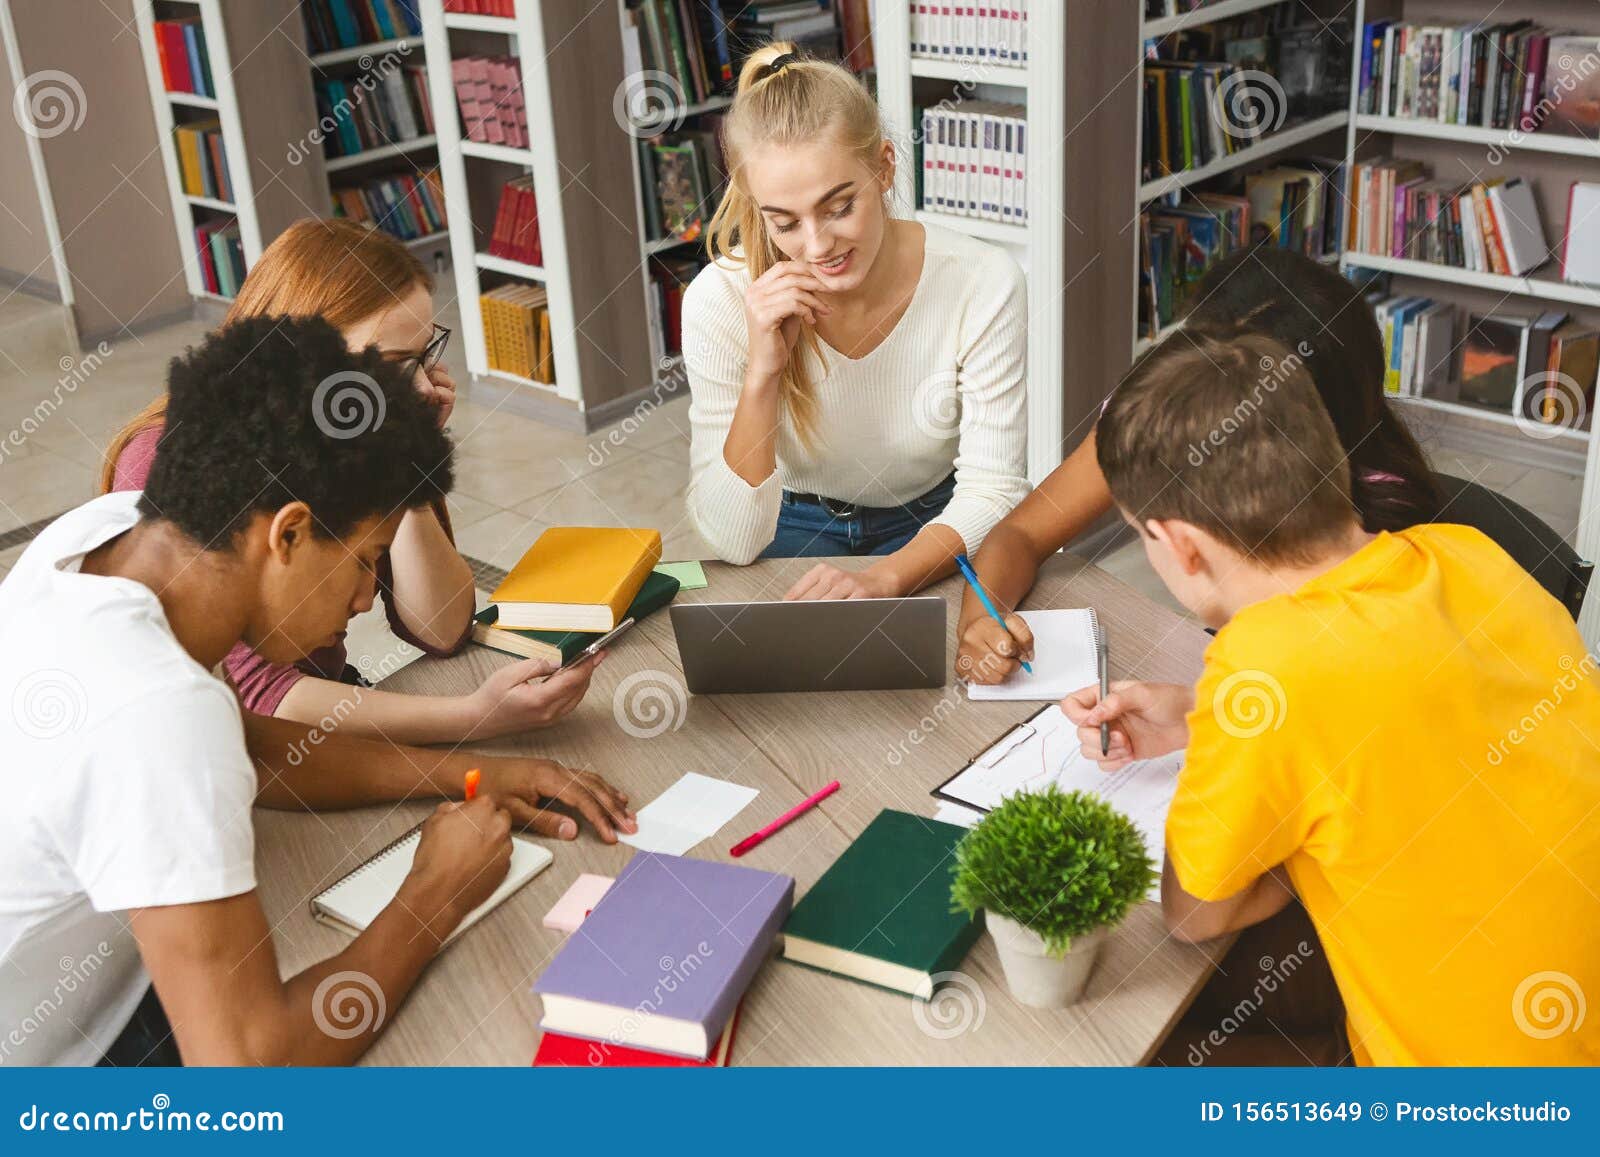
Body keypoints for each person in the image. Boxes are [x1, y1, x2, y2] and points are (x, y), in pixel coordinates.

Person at [0, 316, 636, 1066]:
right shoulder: (155, 713)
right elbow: (249, 1069)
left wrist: (476, 767)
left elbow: (256, 750)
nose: (367, 599)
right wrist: (434, 894)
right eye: (366, 560)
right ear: (290, 533)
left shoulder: (109, 536)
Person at [1061, 330, 1600, 1065]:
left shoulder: (1264, 663)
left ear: (1181, 545)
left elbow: (1192, 915)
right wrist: (1200, 716)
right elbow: (1407, 707)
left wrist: (1279, 797)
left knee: (1125, 1057)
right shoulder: (1468, 555)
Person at [102, 218, 595, 744]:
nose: (424, 386)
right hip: (248, 747)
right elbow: (260, 699)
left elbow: (441, 627)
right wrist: (472, 716)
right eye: (394, 366)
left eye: (425, 359)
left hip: (330, 707)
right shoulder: (164, 464)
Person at [956, 246, 1442, 684]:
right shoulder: (1164, 414)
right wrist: (983, 622)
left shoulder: (1382, 535)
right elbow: (1021, 534)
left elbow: (1328, 692)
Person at [681, 42, 1031, 600]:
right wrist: (763, 375)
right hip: (790, 523)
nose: (818, 245)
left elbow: (994, 490)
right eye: (785, 223)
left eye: (840, 207)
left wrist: (887, 576)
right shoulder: (719, 301)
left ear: (884, 166)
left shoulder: (982, 280)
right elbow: (734, 541)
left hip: (937, 524)